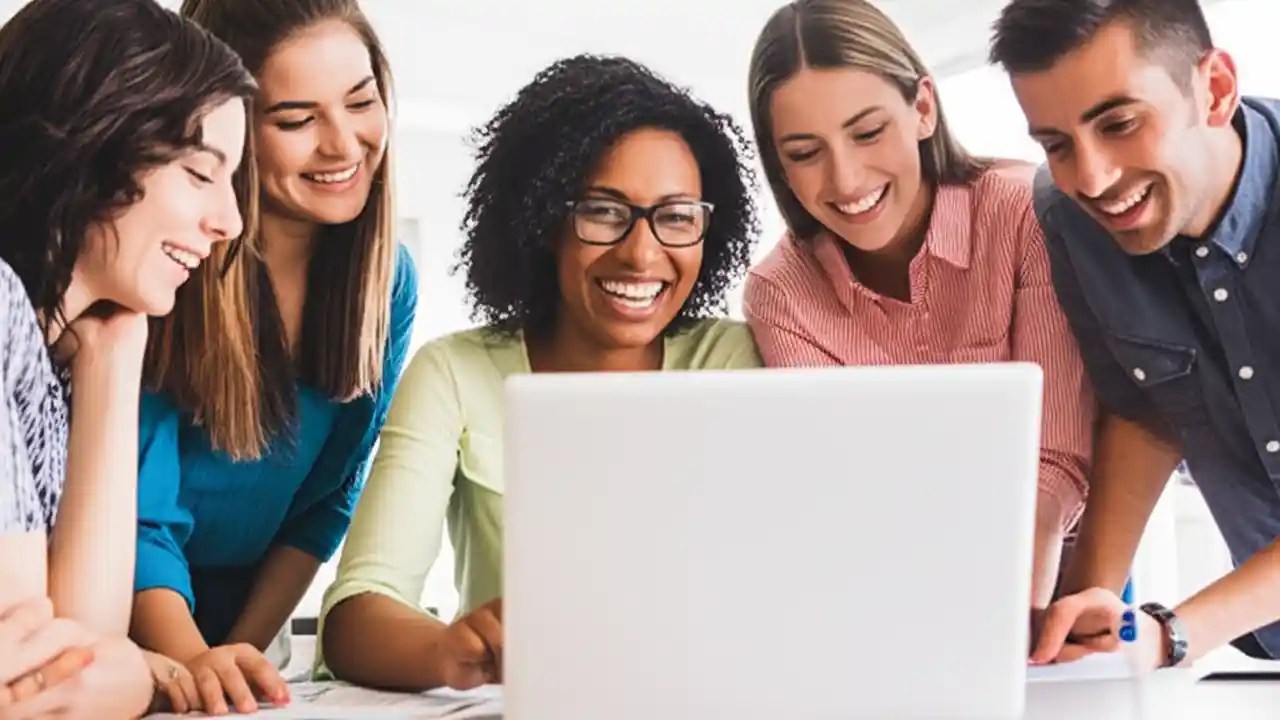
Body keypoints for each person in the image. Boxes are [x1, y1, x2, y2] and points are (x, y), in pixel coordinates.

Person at [316, 53, 762, 691]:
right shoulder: (454, 374)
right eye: (605, 212)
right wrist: (448, 650)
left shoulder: (739, 362)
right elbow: (357, 613)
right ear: (545, 221)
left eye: (676, 216)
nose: (641, 253)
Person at [742, 0, 1096, 611]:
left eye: (868, 132)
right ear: (780, 164)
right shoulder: (781, 293)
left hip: (1056, 588)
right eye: (805, 152)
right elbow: (848, 488)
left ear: (923, 108)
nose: (847, 180)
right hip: (886, 592)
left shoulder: (1025, 216)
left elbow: (1053, 460)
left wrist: (1011, 629)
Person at [130, 0, 418, 714]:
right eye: (296, 120)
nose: (344, 145)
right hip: (122, 628)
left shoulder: (389, 282)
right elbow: (141, 515)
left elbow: (327, 498)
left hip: (245, 642)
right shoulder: (169, 260)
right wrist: (193, 662)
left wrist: (238, 657)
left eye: (361, 102)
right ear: (224, 128)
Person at [990, 0, 1280, 670]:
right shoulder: (1071, 222)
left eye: (1119, 124)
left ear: (1214, 89)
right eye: (1056, 144)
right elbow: (1144, 409)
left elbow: (1169, 640)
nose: (1090, 178)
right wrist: (1085, 610)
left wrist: (1171, 636)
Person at [0, 0, 254, 717]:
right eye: (201, 174)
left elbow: (71, 651)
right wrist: (133, 673)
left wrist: (114, 359)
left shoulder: (58, 359)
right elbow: (45, 688)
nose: (229, 222)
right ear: (92, 145)